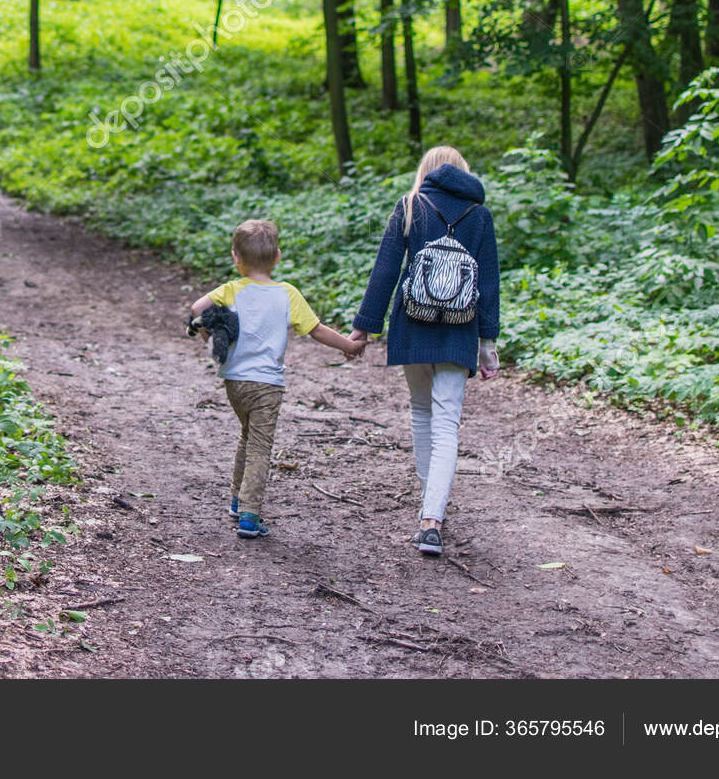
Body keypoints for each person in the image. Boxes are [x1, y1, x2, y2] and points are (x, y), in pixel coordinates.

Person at [349, 147, 500, 557]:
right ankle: (432, 517)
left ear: (425, 171)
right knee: (447, 422)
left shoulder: (411, 206)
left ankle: (428, 508)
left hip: (413, 323)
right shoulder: (479, 215)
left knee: (421, 412)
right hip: (460, 328)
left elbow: (385, 270)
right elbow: (488, 281)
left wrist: (364, 328)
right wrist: (488, 344)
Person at [189, 218, 366, 539]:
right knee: (260, 445)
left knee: (247, 435)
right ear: (278, 257)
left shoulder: (230, 290)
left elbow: (197, 307)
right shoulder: (287, 294)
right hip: (267, 385)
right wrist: (350, 346)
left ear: (235, 257)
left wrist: (207, 336)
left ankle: (235, 498)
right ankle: (249, 514)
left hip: (234, 382)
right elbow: (317, 331)